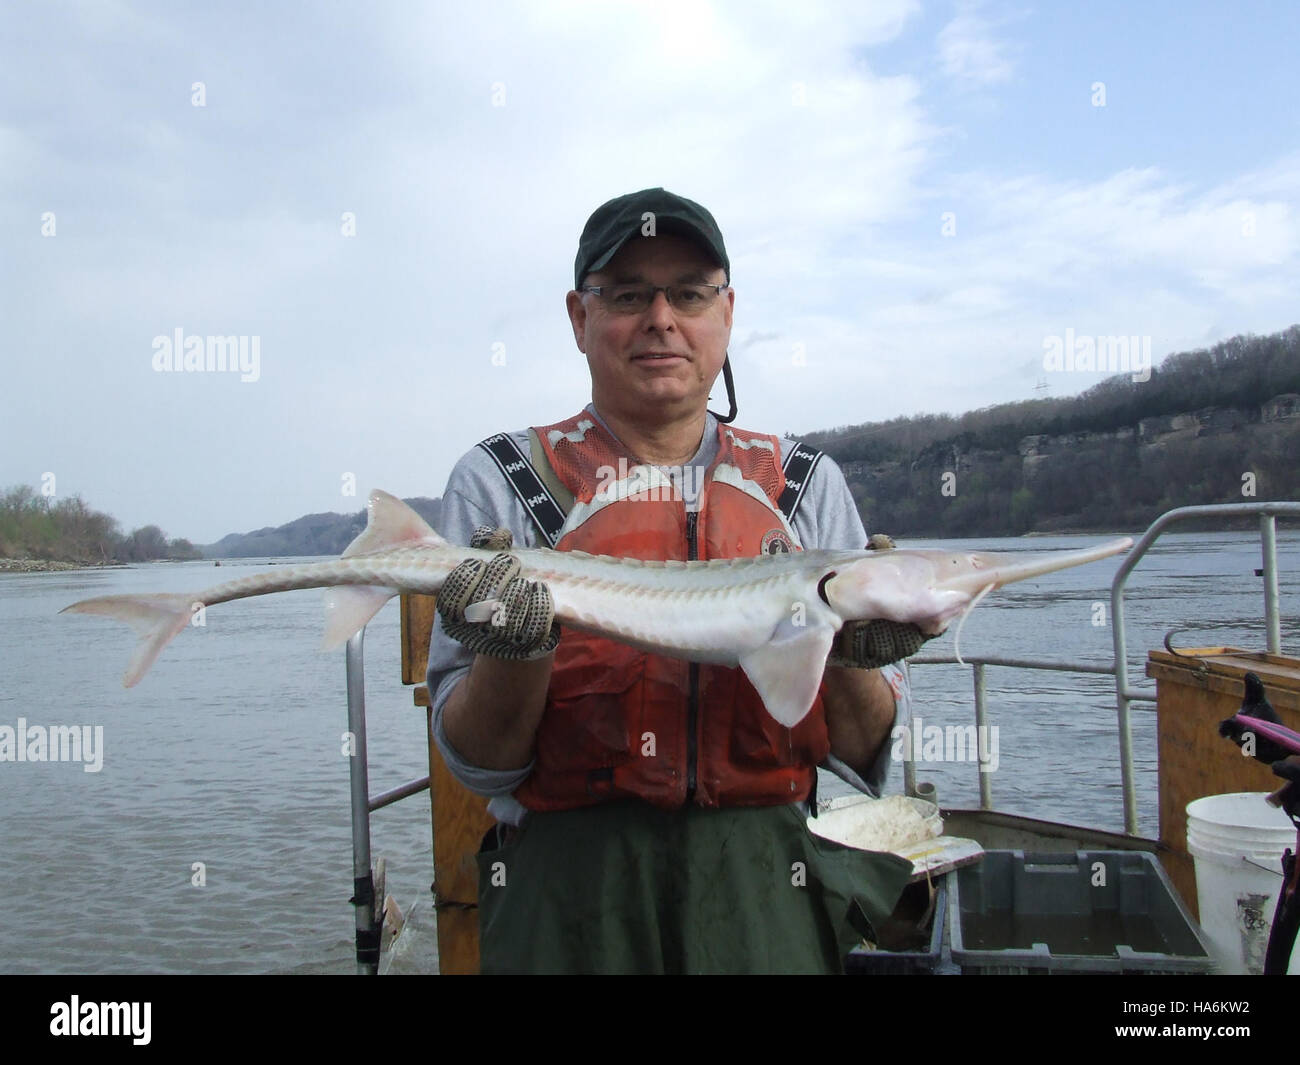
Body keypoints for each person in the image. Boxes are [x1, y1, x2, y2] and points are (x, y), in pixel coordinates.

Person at [426, 188, 923, 974]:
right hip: (567, 897)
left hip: (770, 883)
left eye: (691, 293)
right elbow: (478, 761)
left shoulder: (804, 485)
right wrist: (516, 650)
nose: (662, 317)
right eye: (627, 294)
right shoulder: (502, 484)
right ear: (578, 317)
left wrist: (855, 657)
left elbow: (861, 752)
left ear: (728, 314)